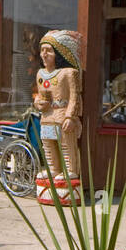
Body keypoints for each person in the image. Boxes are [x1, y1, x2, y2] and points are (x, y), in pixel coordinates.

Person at [33, 29, 83, 178]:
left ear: (58, 53)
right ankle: (53, 169)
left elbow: (74, 96)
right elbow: (39, 95)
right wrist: (38, 103)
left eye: (49, 50)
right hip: (47, 116)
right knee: (48, 144)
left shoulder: (68, 73)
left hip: (62, 115)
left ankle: (71, 171)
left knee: (66, 145)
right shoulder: (40, 74)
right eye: (42, 50)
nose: (44, 54)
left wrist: (70, 116)